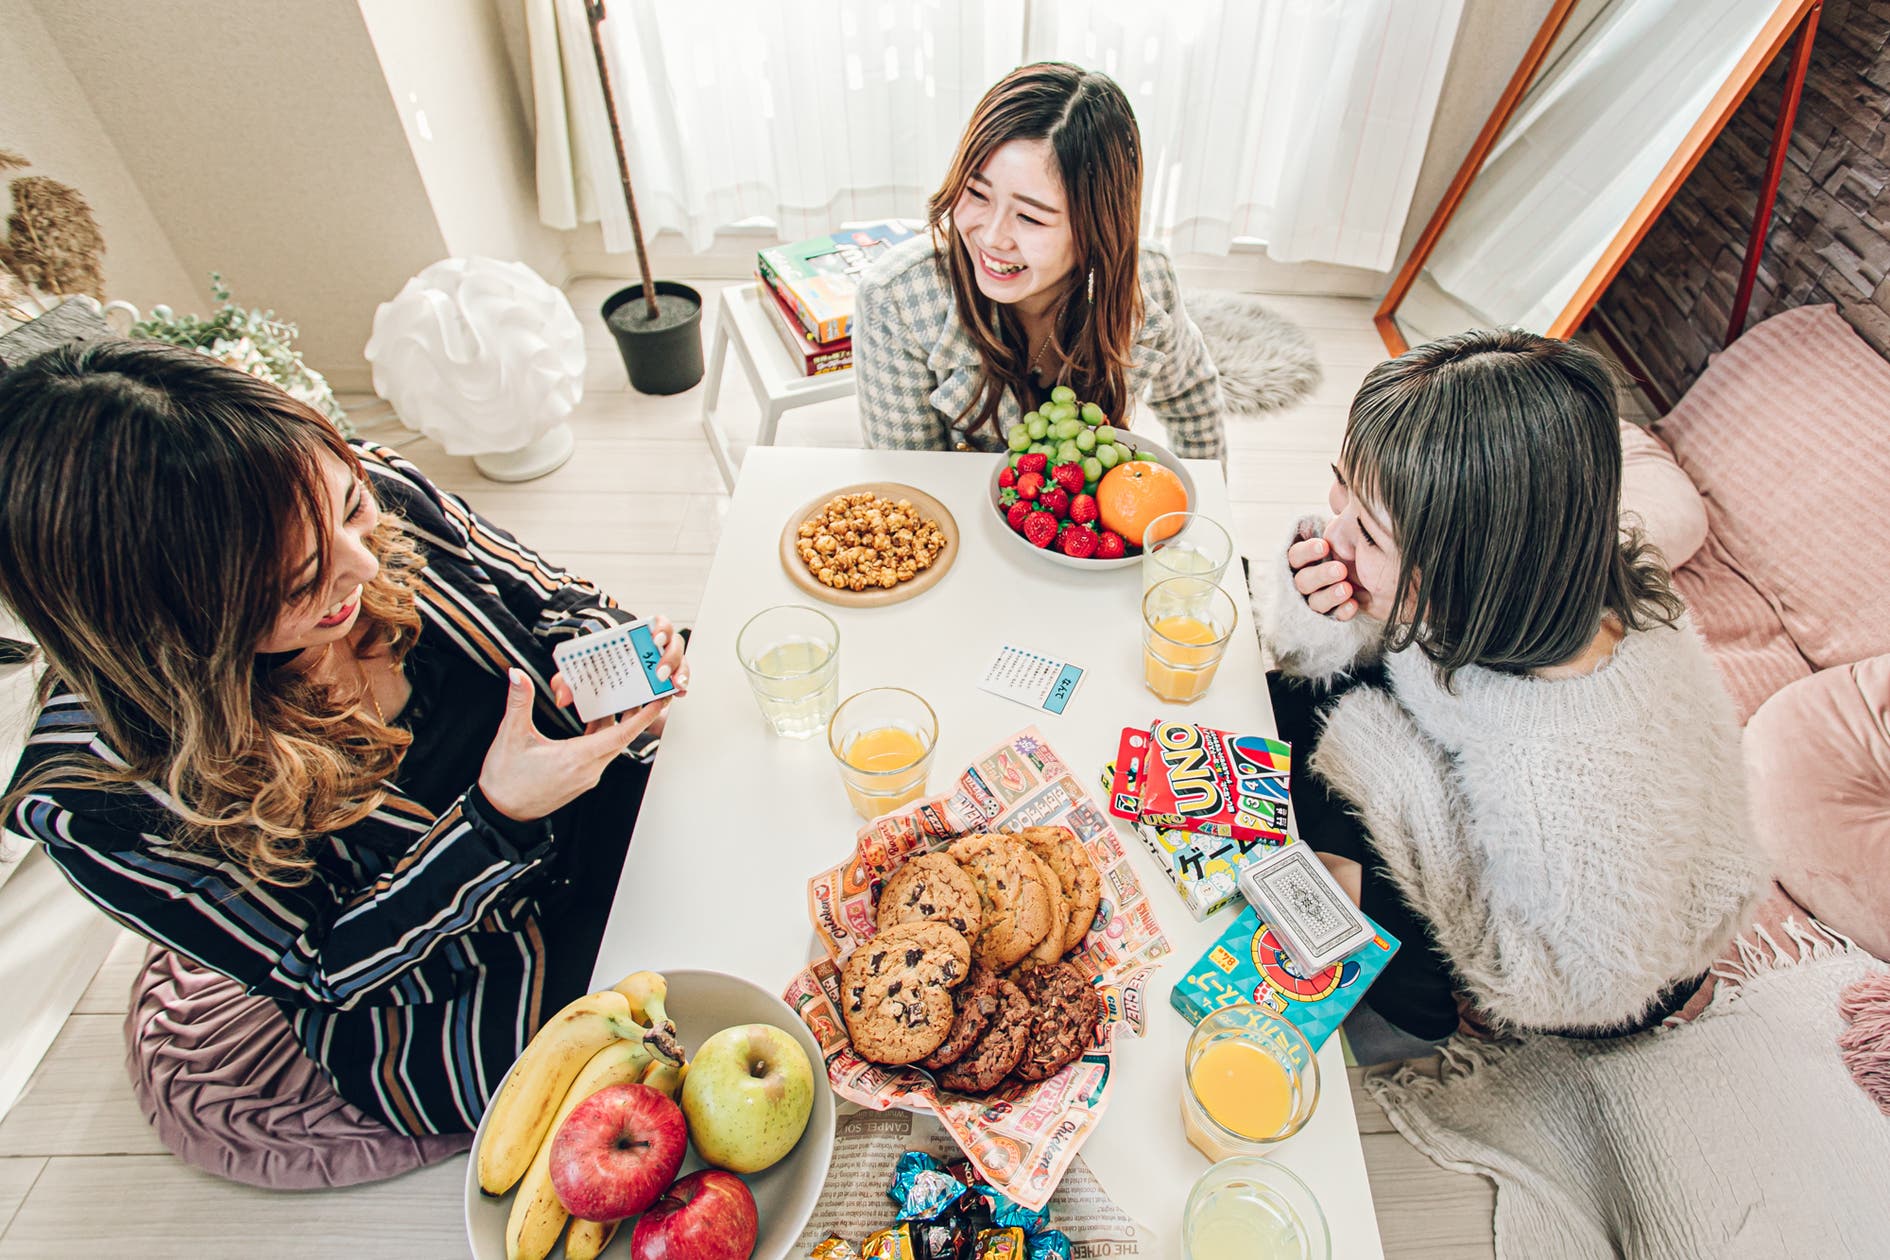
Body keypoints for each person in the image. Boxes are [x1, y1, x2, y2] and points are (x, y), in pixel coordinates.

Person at [0, 341, 688, 1135]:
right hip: (459, 979)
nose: (363, 565)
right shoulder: (101, 804)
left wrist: (612, 654)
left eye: (353, 510)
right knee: (667, 1064)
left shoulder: (352, 496)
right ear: (174, 627)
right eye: (300, 584)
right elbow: (323, 970)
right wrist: (494, 819)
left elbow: (555, 597)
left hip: (602, 817)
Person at [1258, 329, 1765, 1057]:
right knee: (1277, 708)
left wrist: (1391, 775)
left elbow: (1574, 984)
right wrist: (1322, 603)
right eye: (1341, 487)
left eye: (1366, 533)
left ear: (1467, 569)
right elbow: (1311, 665)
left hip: (1579, 964)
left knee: (1335, 893)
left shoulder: (1575, 778)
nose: (1332, 535)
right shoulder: (1540, 562)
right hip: (1496, 793)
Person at [855, 61, 1226, 459]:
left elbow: (1191, 398)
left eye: (1030, 217)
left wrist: (1202, 513)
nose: (992, 236)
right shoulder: (894, 298)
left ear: (1097, 226)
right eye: (977, 194)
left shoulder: (1148, 277)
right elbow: (910, 482)